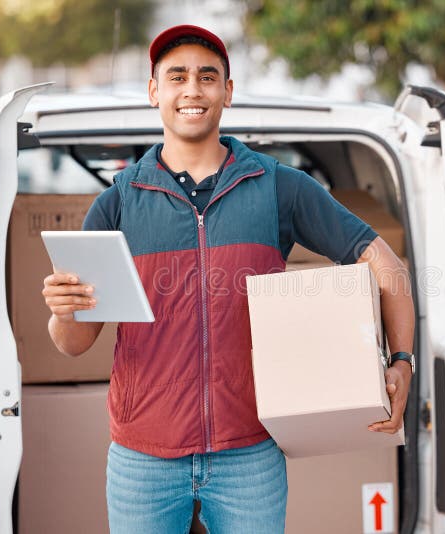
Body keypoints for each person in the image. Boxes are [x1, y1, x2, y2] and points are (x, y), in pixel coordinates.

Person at [41, 24, 415, 534]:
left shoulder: (279, 186)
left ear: (228, 91)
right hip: (143, 459)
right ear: (154, 91)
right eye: (176, 77)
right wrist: (64, 313)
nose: (192, 89)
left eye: (207, 76)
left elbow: (386, 265)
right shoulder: (117, 204)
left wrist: (401, 361)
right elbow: (74, 342)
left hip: (249, 455)